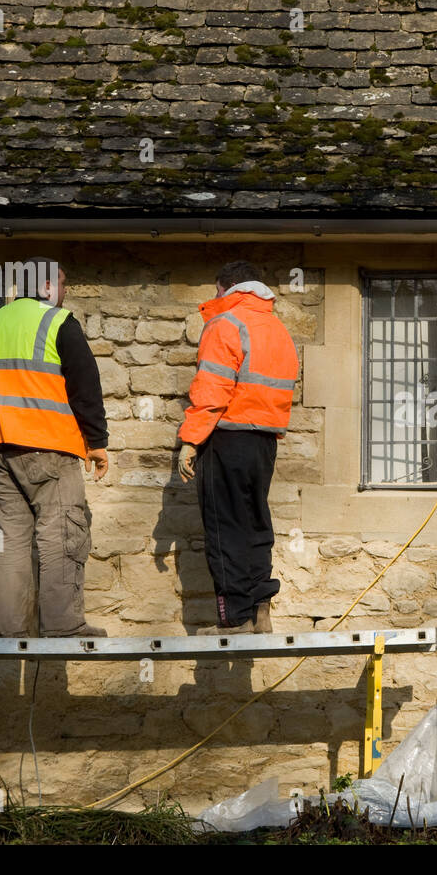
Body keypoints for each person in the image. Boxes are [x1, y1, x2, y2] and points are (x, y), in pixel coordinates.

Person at [0, 257, 109, 638]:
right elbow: (85, 385)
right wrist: (97, 443)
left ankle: (13, 631)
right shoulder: (58, 322)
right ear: (46, 288)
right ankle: (63, 626)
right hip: (47, 446)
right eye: (62, 285)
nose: (65, 293)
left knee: (11, 541)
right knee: (61, 531)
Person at [177, 260, 298, 635]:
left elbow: (212, 389)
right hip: (264, 442)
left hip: (227, 436)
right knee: (254, 523)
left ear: (226, 288)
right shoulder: (277, 329)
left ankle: (234, 619)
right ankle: (261, 613)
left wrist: (190, 440)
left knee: (224, 525)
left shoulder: (225, 323)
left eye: (216, 291)